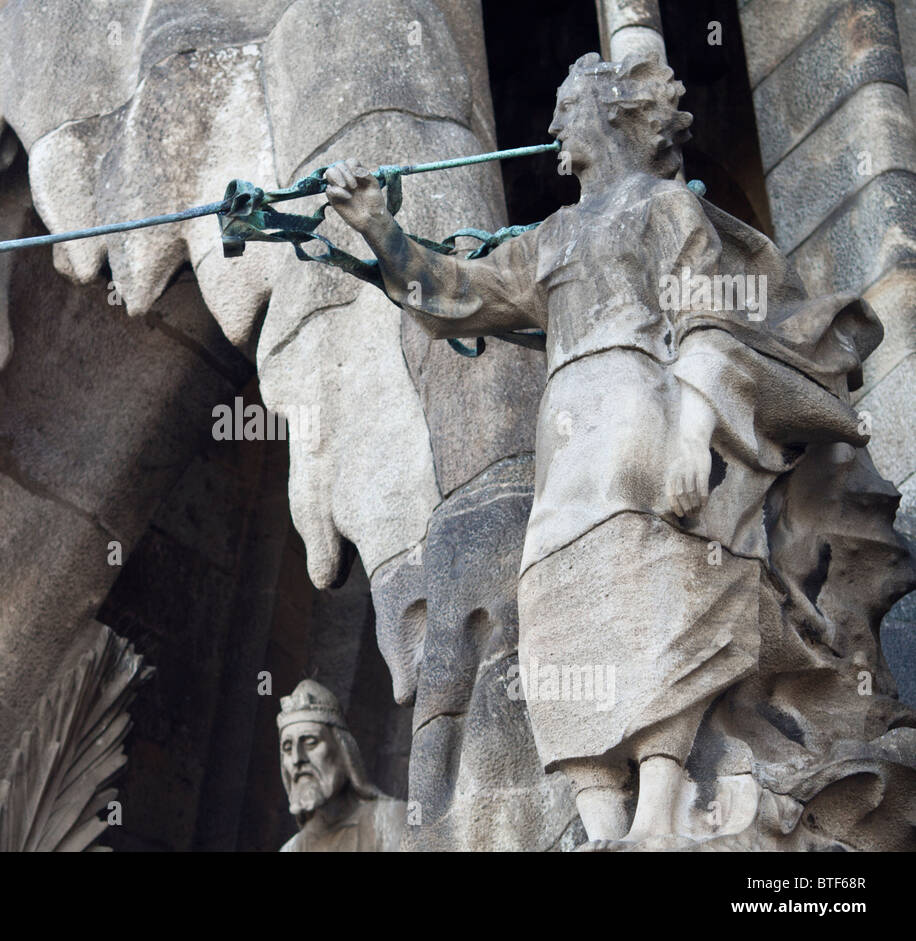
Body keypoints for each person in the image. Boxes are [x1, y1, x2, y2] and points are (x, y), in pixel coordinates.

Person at [322, 52, 881, 847]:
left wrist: (695, 429)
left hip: (636, 402)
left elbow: (706, 321)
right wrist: (378, 226)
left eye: (568, 106)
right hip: (568, 428)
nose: (553, 124)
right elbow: (454, 292)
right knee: (554, 597)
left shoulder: (660, 207)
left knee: (653, 574)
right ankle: (599, 815)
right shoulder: (551, 237)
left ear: (616, 116)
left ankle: (658, 806)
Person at [278, 679, 405, 851]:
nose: (296, 758)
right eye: (287, 747)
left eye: (310, 742)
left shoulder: (391, 820)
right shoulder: (291, 849)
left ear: (343, 750)